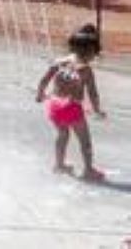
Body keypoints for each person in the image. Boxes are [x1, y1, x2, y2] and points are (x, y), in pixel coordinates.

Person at [35, 24, 107, 181]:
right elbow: (93, 93)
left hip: (54, 105)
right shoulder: (86, 69)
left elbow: (44, 80)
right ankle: (88, 170)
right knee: (85, 141)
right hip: (72, 107)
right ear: (90, 52)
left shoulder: (59, 62)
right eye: (95, 52)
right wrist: (97, 110)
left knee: (62, 134)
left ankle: (59, 164)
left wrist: (40, 95)